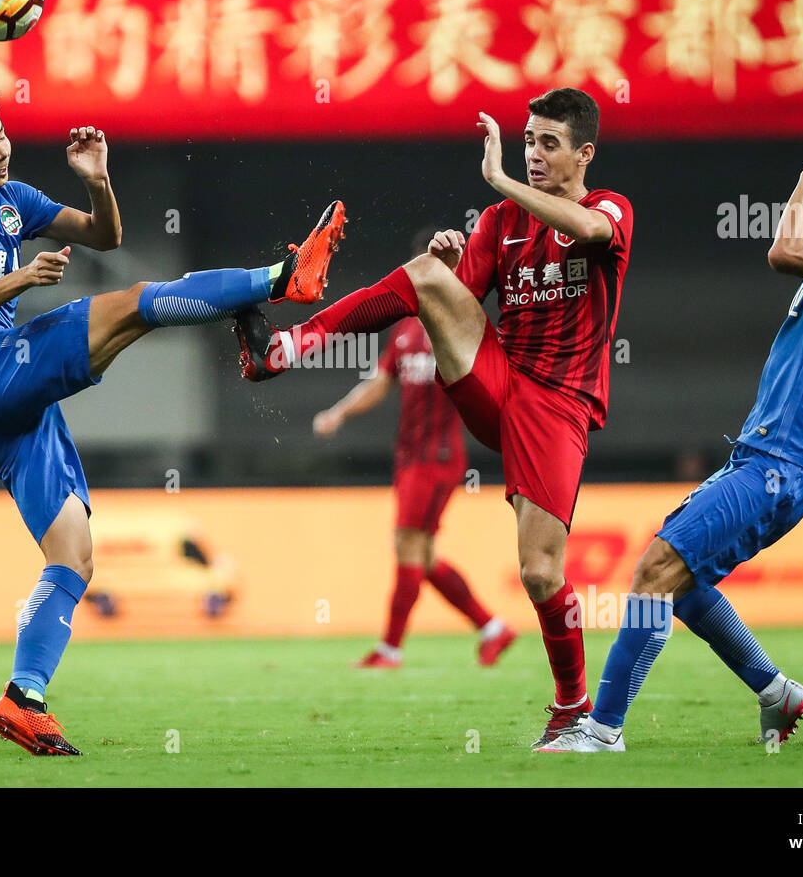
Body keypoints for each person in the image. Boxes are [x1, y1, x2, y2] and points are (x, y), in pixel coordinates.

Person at [0, 73, 345, 755]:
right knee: (136, 303)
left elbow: (103, 237)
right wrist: (24, 278)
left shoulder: (11, 199)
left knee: (74, 558)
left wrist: (97, 180)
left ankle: (23, 698)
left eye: (0, 136)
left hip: (5, 413)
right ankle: (278, 281)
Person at [234, 89, 633, 745]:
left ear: (584, 153)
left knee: (540, 573)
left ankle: (574, 712)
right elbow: (455, 303)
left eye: (548, 144)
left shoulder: (608, 208)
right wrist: (449, 269)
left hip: (560, 407)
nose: (533, 154)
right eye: (527, 141)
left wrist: (498, 179)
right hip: (499, 382)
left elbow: (591, 233)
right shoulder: (501, 223)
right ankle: (286, 345)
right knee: (424, 271)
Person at [541, 60, 803, 752]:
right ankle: (777, 693)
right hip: (774, 459)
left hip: (781, 462)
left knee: (654, 568)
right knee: (682, 581)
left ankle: (603, 731)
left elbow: (784, 250)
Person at [312, 244, 516, 667]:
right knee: (423, 558)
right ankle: (492, 628)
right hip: (410, 457)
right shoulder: (405, 328)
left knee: (408, 547)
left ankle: (391, 648)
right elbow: (379, 382)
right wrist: (338, 412)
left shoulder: (462, 323)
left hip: (438, 457)